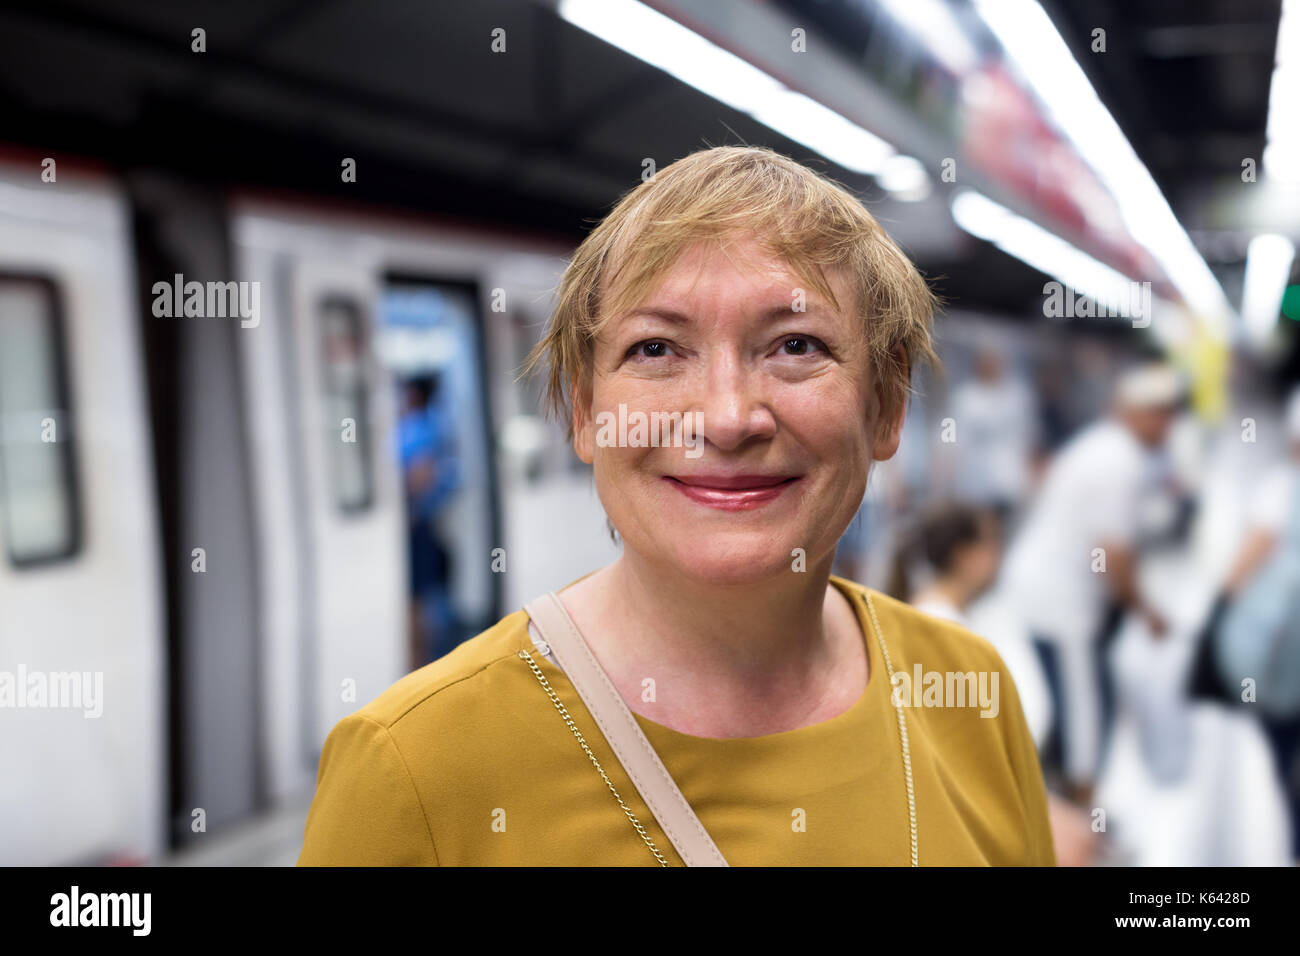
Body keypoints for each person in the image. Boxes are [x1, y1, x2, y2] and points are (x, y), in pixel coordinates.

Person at [298, 145, 1055, 866]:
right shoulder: (409, 767)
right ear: (587, 411)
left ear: (887, 407)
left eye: (795, 345)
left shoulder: (971, 692)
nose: (726, 418)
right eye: (656, 349)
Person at [1000, 361, 1184, 804]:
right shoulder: (1117, 462)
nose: (1169, 425)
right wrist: (1147, 612)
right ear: (1139, 413)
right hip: (1064, 606)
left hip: (1050, 594)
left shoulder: (1110, 447)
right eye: (1163, 414)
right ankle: (1077, 821)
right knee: (1086, 718)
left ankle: (1047, 806)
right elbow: (1113, 559)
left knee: (1074, 708)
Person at [899, 503, 1098, 865]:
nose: (1000, 556)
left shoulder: (971, 619)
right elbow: (955, 753)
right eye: (992, 544)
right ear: (964, 555)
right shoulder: (936, 628)